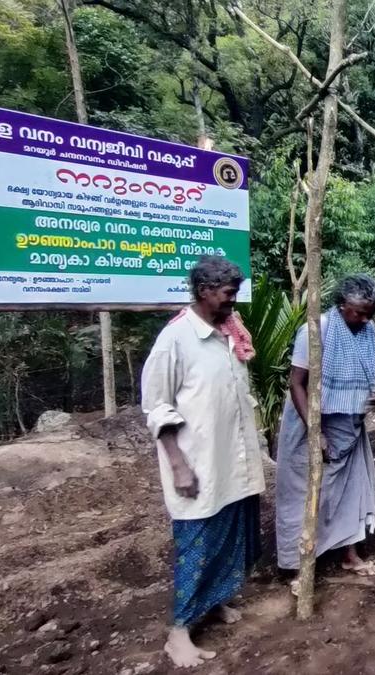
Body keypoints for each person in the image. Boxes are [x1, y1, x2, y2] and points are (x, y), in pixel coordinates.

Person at [141, 256, 264, 668]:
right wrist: (178, 465)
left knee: (230, 539)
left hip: (234, 460)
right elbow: (156, 406)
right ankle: (179, 632)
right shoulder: (175, 340)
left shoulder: (228, 334)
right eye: (228, 293)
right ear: (204, 291)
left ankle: (212, 605)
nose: (233, 300)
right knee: (198, 544)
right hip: (199, 466)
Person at [275, 274, 375, 588]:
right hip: (313, 423)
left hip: (349, 426)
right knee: (305, 493)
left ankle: (349, 555)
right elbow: (297, 383)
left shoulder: (369, 330)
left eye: (369, 313)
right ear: (340, 305)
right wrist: (315, 432)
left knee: (349, 491)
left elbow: (370, 371)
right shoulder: (315, 331)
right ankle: (299, 568)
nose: (364, 319)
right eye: (358, 312)